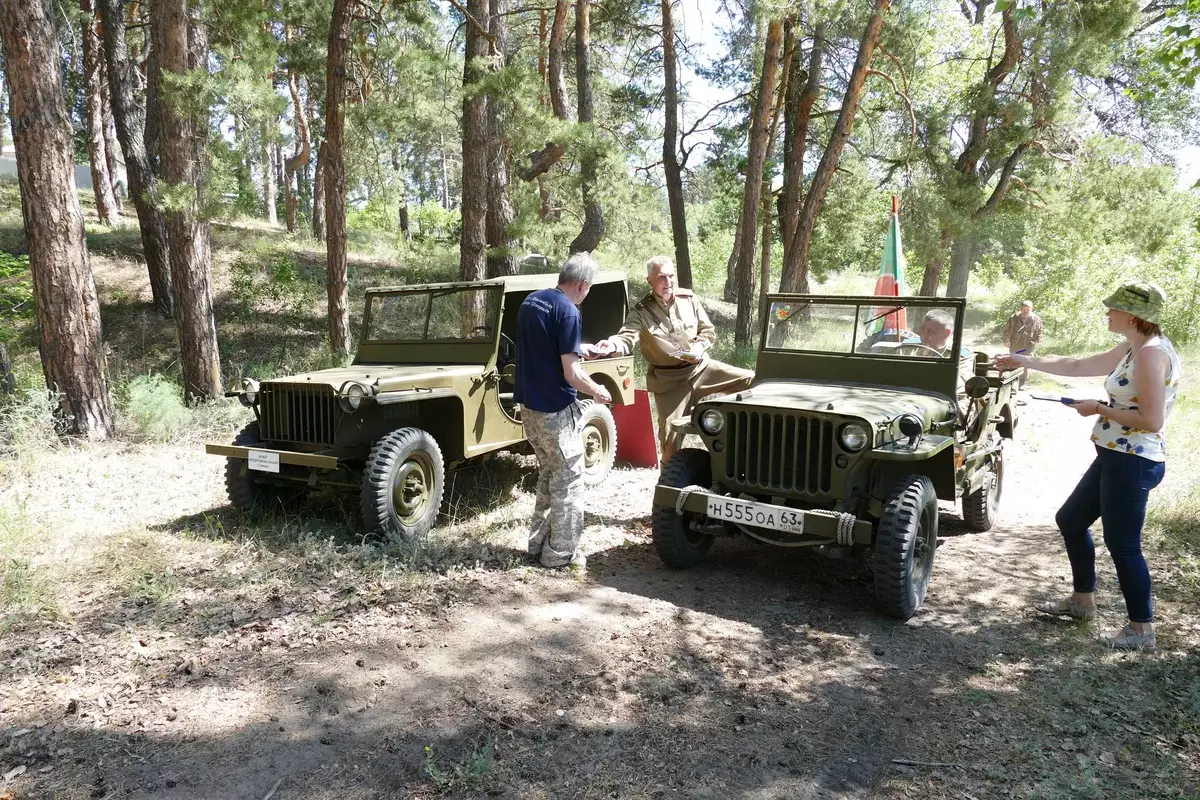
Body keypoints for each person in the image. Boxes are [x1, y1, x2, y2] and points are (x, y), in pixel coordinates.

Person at [993, 280, 1181, 651]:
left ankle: (1141, 630)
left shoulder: (1150, 355)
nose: (1108, 312)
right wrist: (1023, 359)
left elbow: (1152, 420)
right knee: (1071, 520)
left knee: (1123, 544)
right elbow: (1078, 364)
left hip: (1134, 461)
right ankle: (1082, 602)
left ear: (1134, 315)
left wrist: (1097, 408)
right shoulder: (1134, 347)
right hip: (1116, 456)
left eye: (1114, 308)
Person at [584, 255, 752, 463]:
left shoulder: (688, 299)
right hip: (669, 381)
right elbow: (627, 335)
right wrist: (612, 345)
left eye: (671, 276)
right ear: (650, 281)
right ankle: (669, 486)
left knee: (754, 381)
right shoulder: (641, 312)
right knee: (670, 441)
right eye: (662, 277)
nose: (668, 282)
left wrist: (699, 348)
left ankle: (749, 445)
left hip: (702, 369)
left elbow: (708, 330)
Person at [514, 253, 613, 570]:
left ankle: (537, 545)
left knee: (549, 474)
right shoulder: (569, 312)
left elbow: (543, 345)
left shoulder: (533, 301)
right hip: (555, 411)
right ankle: (560, 554)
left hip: (529, 407)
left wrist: (579, 347)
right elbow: (571, 374)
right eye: (590, 287)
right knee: (569, 480)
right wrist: (597, 390)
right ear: (583, 285)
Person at [1002, 300, 1044, 388]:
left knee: (1025, 363)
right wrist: (1006, 340)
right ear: (1020, 309)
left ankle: (1022, 383)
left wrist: (1037, 341)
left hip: (1028, 346)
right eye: (1023, 309)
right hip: (1015, 344)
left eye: (1027, 309)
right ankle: (1013, 382)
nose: (1025, 311)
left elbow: (1040, 331)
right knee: (1014, 361)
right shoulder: (1014, 318)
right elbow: (1007, 330)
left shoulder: (1036, 319)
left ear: (1031, 309)